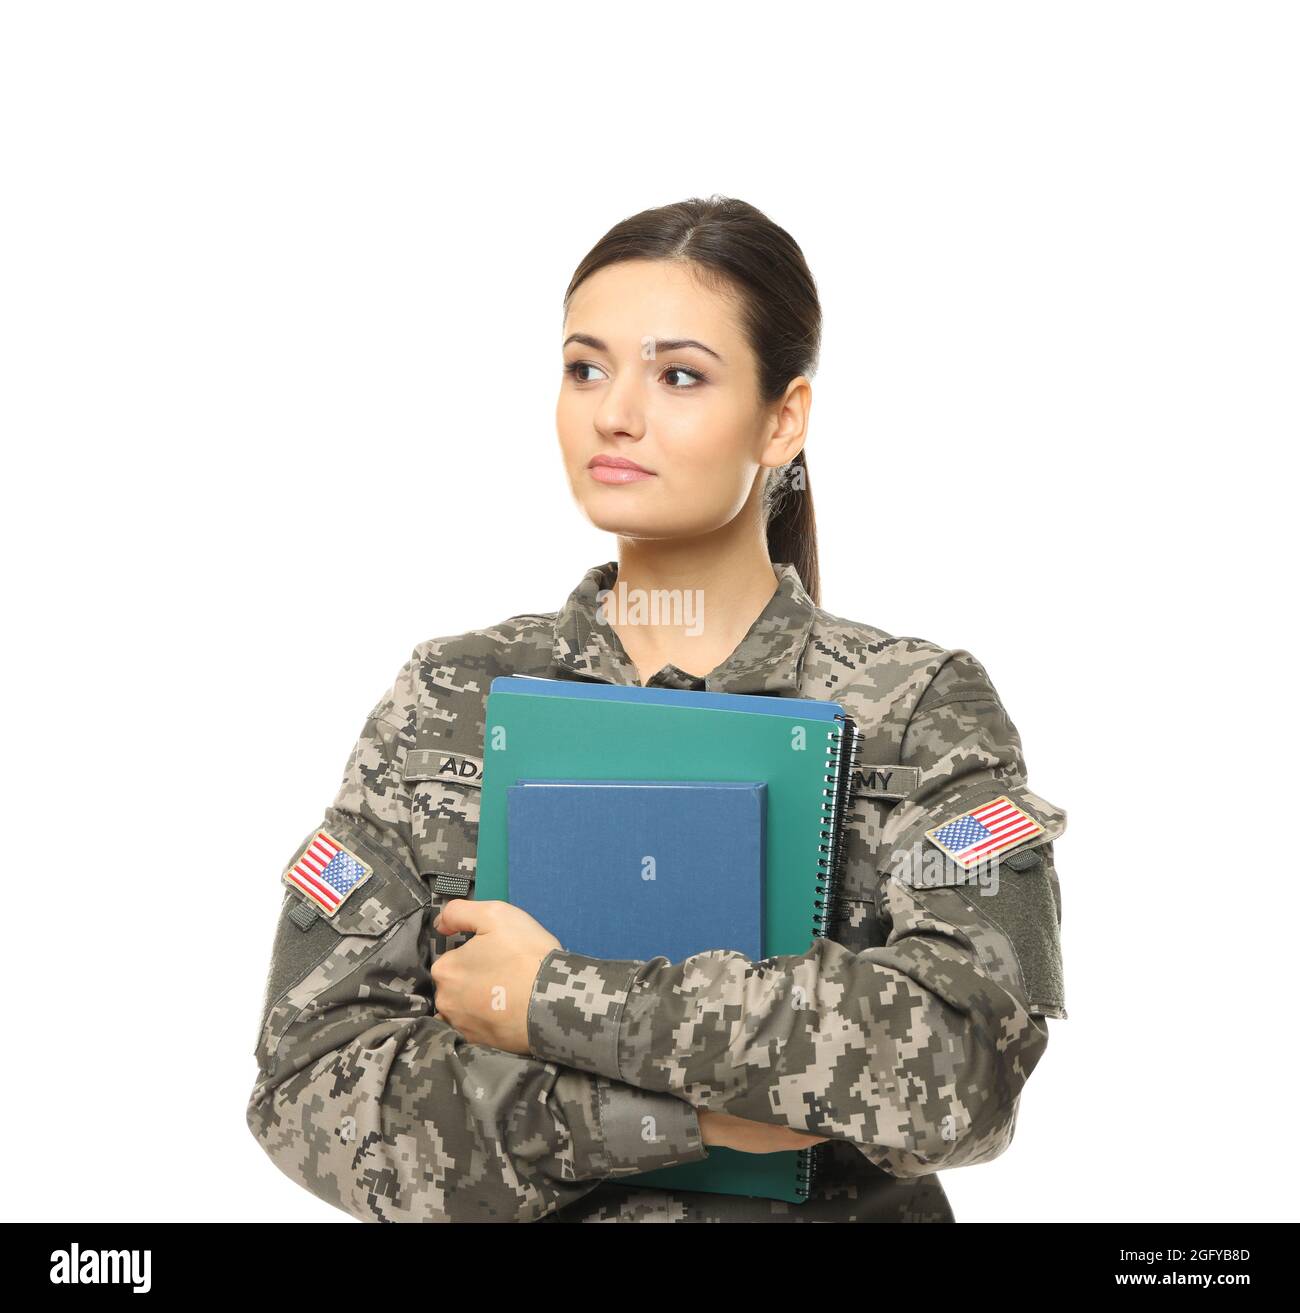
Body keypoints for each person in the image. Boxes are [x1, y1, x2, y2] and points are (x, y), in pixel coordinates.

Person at [246, 195, 1068, 1223]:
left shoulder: (914, 707)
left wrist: (545, 995)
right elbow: (308, 1087)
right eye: (585, 367)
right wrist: (693, 1120)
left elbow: (961, 1070)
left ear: (783, 418)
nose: (613, 412)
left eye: (678, 374)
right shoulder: (450, 696)